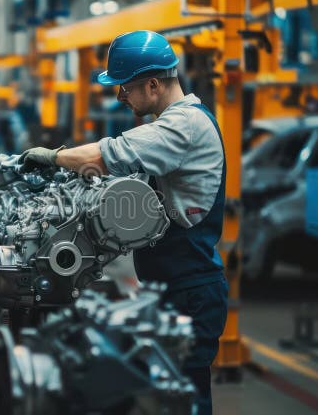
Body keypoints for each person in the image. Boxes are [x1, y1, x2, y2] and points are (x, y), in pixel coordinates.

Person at [18, 30, 228, 415]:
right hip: (174, 284)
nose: (120, 97)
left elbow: (105, 155)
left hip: (191, 287)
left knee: (182, 395)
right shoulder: (178, 122)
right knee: (162, 394)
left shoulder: (184, 126)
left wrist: (50, 156)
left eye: (125, 88)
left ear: (152, 84)